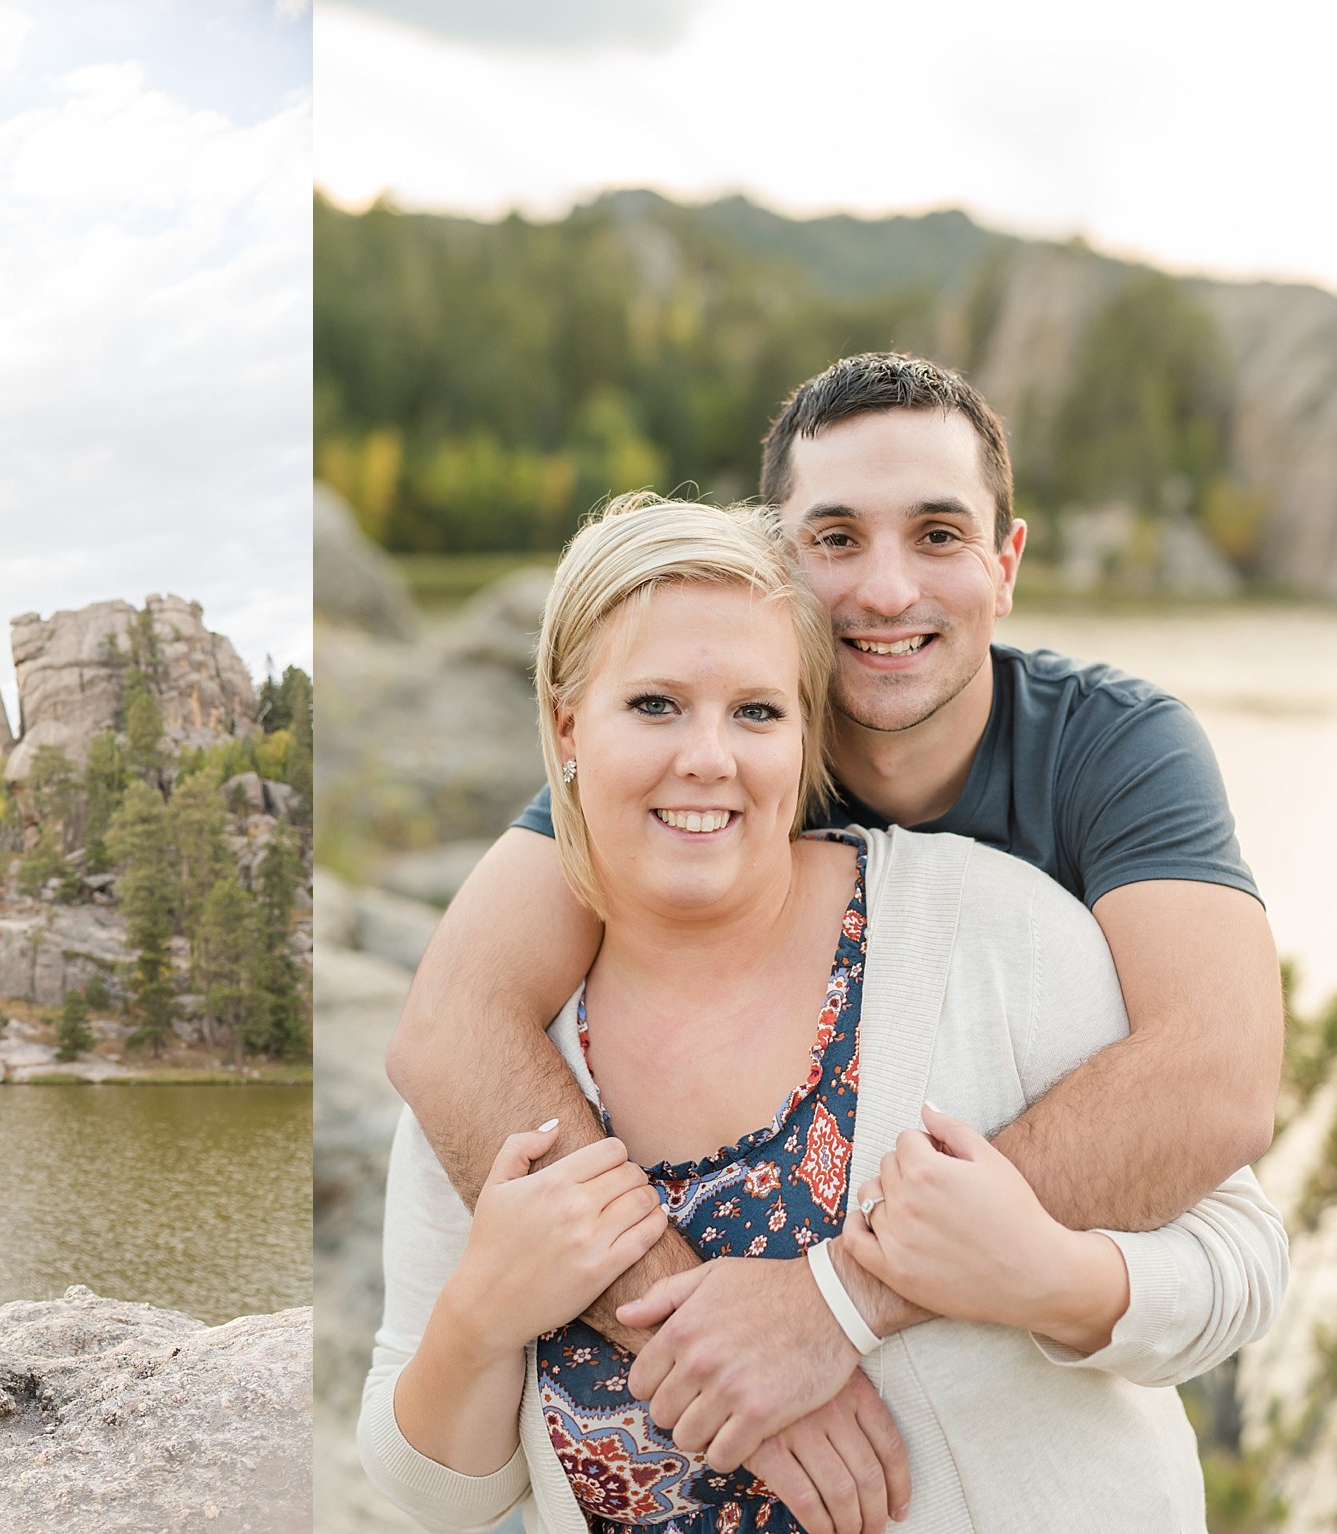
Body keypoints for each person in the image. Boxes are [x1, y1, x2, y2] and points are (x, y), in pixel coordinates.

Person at [383, 354, 1285, 1512]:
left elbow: (1214, 1083)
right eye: (835, 537)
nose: (887, 590)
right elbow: (453, 1024)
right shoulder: (685, 788)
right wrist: (704, 1351)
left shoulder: (1107, 757)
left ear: (1004, 565)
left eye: (938, 534)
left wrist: (830, 1302)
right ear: (778, 565)